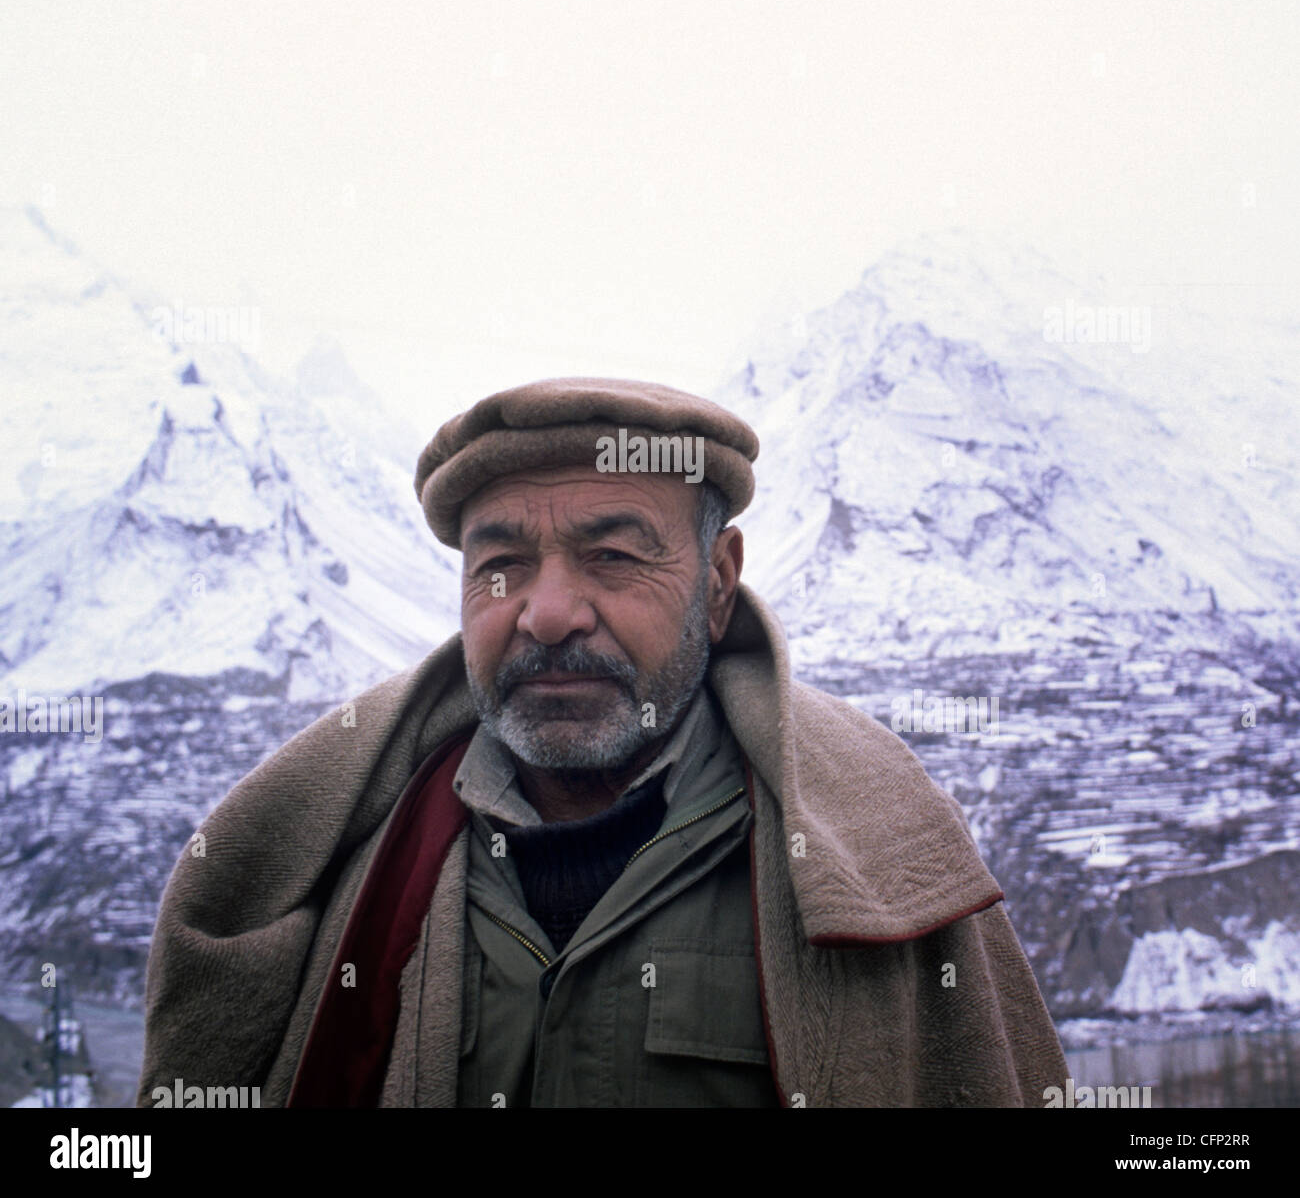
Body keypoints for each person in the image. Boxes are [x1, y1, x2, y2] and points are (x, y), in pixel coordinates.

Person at [136, 376, 1067, 1107]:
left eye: (613, 557)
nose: (544, 614)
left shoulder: (874, 858)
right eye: (500, 566)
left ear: (717, 578)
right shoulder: (351, 867)